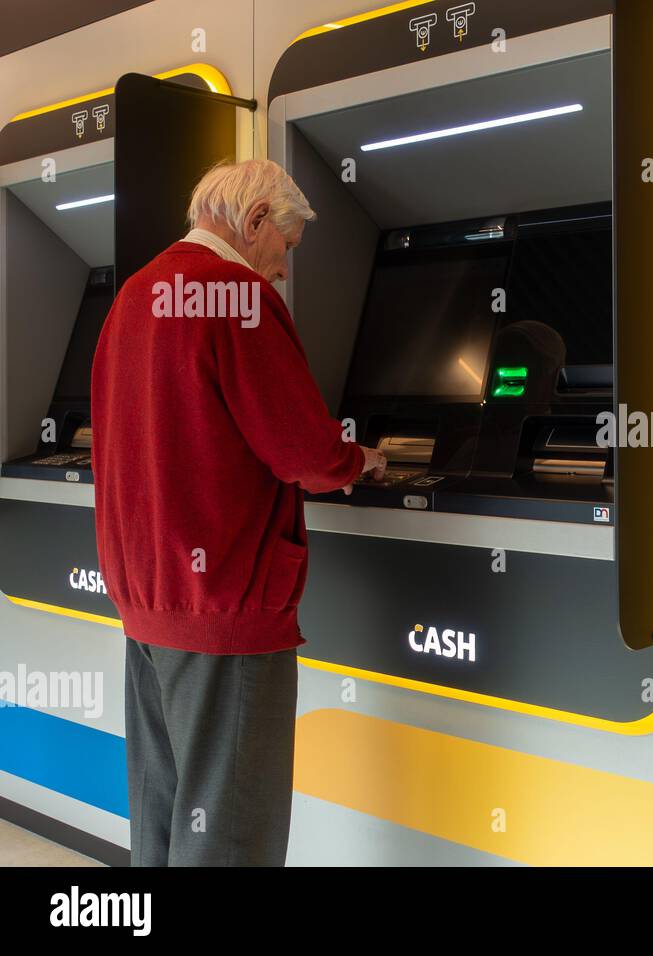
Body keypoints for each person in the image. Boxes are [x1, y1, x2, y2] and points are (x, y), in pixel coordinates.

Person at [90, 159, 386, 865]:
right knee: (229, 832)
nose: (281, 274)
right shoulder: (234, 296)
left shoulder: (133, 294)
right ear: (254, 223)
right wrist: (360, 460)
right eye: (284, 251)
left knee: (163, 818)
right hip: (226, 604)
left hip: (148, 602)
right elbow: (303, 452)